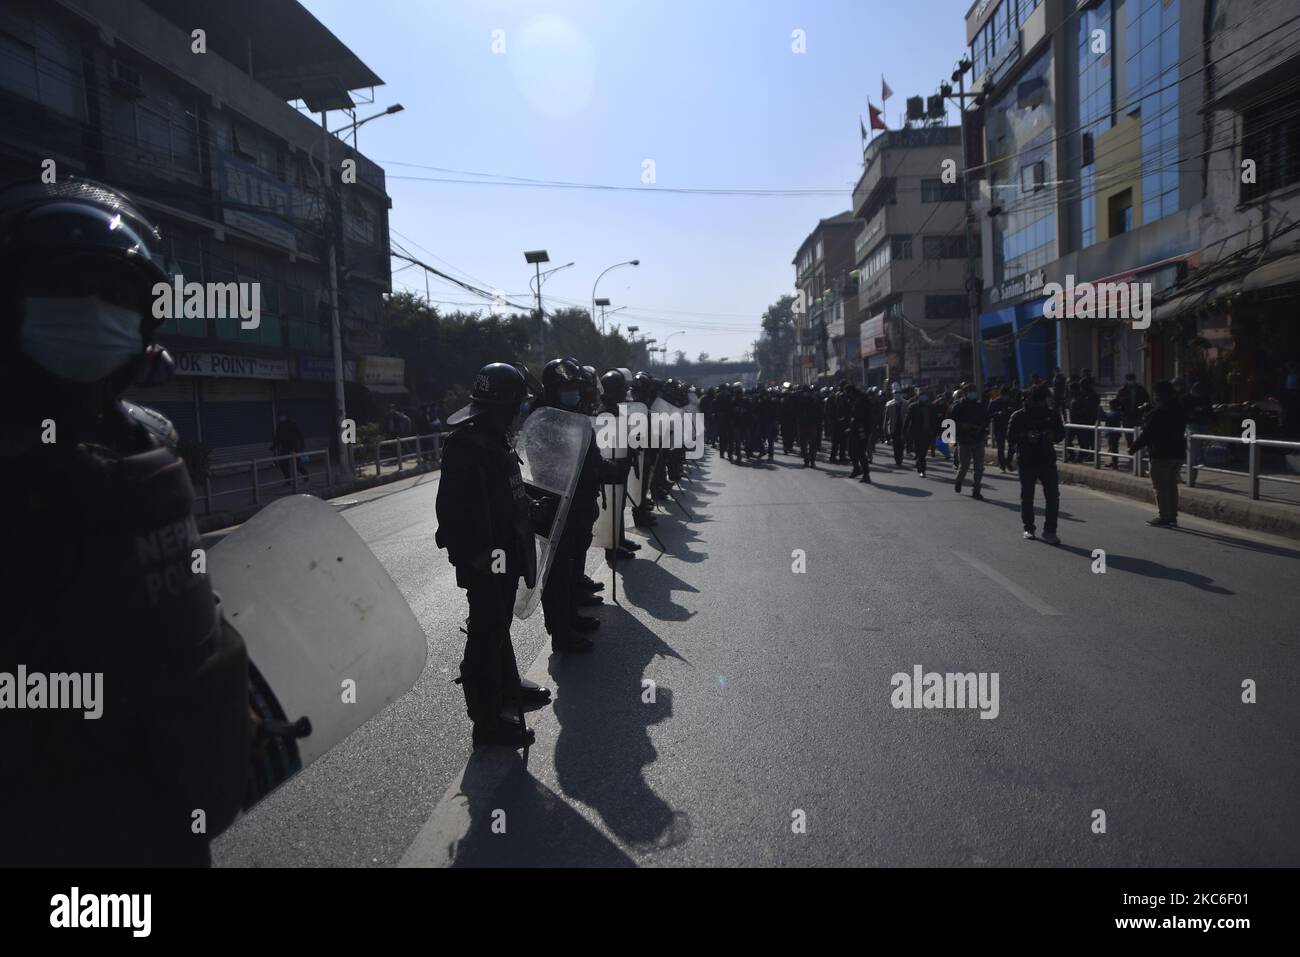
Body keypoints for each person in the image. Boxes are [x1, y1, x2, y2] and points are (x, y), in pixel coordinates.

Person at [0, 178, 250, 864]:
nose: (93, 310)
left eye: (117, 295)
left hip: (169, 815)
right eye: (66, 284)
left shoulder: (148, 441)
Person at [435, 362, 548, 750]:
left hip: (508, 550)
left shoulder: (496, 437)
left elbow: (503, 492)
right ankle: (487, 722)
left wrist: (530, 503)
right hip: (486, 559)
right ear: (503, 403)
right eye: (516, 402)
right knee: (484, 635)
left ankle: (505, 688)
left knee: (498, 625)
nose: (519, 410)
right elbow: (449, 511)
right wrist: (472, 556)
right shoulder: (467, 444)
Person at [1007, 385, 1065, 544]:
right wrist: (1026, 437)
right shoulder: (1018, 416)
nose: (1039, 404)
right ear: (1028, 400)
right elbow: (1011, 437)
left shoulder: (1052, 414)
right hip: (1027, 461)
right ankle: (1029, 527)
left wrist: (1051, 435)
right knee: (1027, 497)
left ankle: (1050, 530)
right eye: (1036, 401)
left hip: (1047, 460)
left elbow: (1061, 434)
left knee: (1053, 496)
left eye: (1042, 401)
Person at [1131, 380, 1187, 528]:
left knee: (1160, 487)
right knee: (1171, 486)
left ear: (1158, 394)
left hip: (1161, 454)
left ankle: (1164, 516)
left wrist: (1134, 447)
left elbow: (1148, 433)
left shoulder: (1157, 412)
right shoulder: (1180, 408)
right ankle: (1172, 516)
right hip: (1177, 453)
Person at [951, 383, 988, 499]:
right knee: (964, 466)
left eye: (974, 391)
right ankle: (959, 480)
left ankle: (976, 490)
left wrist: (981, 429)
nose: (973, 393)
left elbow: (986, 420)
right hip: (964, 440)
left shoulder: (980, 405)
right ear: (965, 393)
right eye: (970, 391)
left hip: (978, 439)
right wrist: (962, 426)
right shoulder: (958, 406)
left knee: (979, 467)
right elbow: (951, 422)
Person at [1067, 375, 1101, 464]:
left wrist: (1080, 415)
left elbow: (1086, 410)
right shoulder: (1078, 396)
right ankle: (1073, 454)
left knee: (1086, 441)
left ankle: (1084, 456)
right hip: (1074, 422)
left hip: (1084, 422)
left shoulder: (1088, 396)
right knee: (1069, 439)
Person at [904, 389, 937, 477]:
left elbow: (935, 421)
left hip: (928, 433)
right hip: (917, 433)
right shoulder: (913, 407)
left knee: (923, 452)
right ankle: (922, 469)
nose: (923, 397)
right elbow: (907, 420)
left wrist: (936, 431)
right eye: (921, 395)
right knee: (919, 452)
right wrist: (905, 432)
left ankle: (920, 464)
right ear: (918, 397)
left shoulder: (932, 407)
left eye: (924, 395)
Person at [846, 382, 874, 482]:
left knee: (860, 453)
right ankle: (856, 469)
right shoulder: (855, 399)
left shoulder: (862, 400)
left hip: (862, 429)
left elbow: (860, 416)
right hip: (855, 428)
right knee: (851, 451)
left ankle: (866, 474)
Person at [272, 412, 308, 482]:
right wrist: (274, 446)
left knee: (297, 465)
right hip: (284, 448)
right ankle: (288, 480)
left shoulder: (292, 423)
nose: (280, 418)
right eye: (279, 417)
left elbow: (299, 434)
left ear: (285, 416)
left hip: (293, 448)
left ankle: (306, 475)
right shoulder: (280, 426)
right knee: (283, 464)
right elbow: (277, 438)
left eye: (282, 416)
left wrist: (302, 445)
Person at [797, 384, 822, 467]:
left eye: (807, 391)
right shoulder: (800, 400)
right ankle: (806, 459)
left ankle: (812, 460)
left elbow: (819, 411)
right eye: (804, 391)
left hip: (812, 424)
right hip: (802, 424)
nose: (805, 393)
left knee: (812, 444)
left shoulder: (814, 400)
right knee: (803, 444)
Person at [884, 382, 908, 467]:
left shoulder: (906, 403)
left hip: (903, 427)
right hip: (893, 428)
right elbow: (886, 419)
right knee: (895, 446)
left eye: (898, 393)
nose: (897, 394)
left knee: (901, 445)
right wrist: (885, 432)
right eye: (895, 393)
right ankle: (897, 459)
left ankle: (900, 459)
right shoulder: (889, 404)